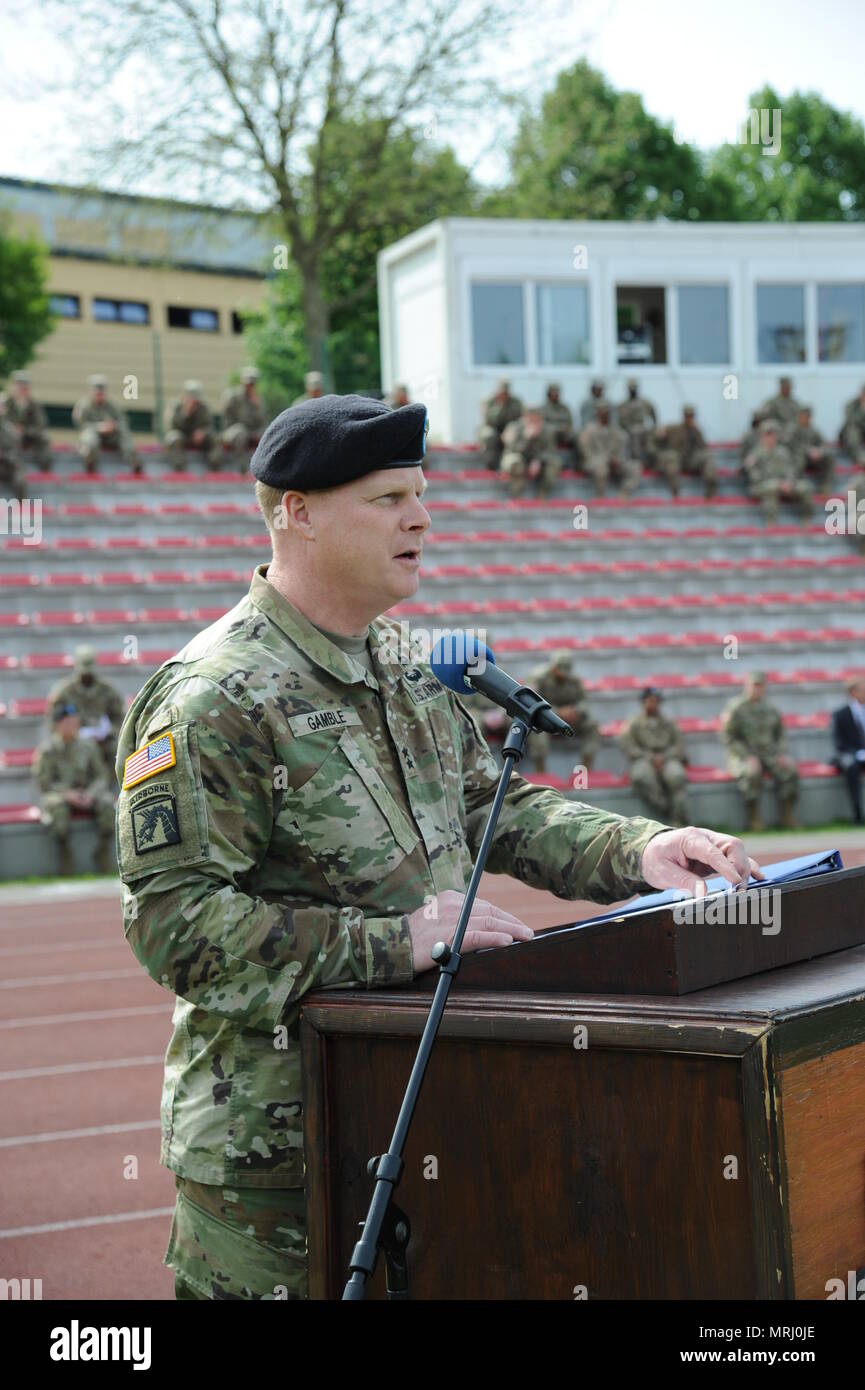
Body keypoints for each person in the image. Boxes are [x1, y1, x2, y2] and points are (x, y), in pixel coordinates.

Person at [114, 391, 760, 1301]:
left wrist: (641, 849)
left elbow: (496, 808)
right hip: (278, 1151)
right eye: (386, 499)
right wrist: (394, 941)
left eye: (419, 493)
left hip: (425, 1112)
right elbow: (174, 926)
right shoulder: (214, 697)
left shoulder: (402, 666)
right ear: (294, 513)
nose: (420, 516)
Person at [35, 703, 115, 876]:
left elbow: (101, 775)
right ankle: (65, 856)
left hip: (87, 793)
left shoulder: (88, 746)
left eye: (74, 722)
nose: (72, 725)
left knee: (108, 803)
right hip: (61, 795)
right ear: (57, 725)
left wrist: (90, 794)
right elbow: (44, 782)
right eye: (67, 722)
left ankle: (102, 852)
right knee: (56, 808)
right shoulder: (47, 751)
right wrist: (67, 794)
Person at [722, 671, 799, 832]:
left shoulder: (771, 708)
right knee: (751, 774)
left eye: (760, 685)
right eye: (754, 685)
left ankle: (787, 815)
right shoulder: (736, 707)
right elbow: (729, 737)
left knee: (789, 770)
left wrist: (781, 753)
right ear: (747, 686)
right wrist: (747, 756)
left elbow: (781, 734)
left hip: (769, 754)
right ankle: (754, 817)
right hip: (744, 754)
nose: (757, 689)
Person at [48, 645, 124, 775]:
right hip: (73, 743)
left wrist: (109, 731)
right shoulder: (64, 692)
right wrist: (71, 733)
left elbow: (120, 718)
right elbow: (53, 721)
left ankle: (109, 788)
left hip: (103, 743)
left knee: (118, 752)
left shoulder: (107, 690)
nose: (87, 676)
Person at [619, 687, 689, 826]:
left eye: (656, 701)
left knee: (677, 776)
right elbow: (627, 745)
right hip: (643, 758)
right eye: (650, 701)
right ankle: (666, 808)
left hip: (667, 758)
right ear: (643, 702)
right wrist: (649, 757)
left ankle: (679, 820)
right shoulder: (634, 723)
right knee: (641, 776)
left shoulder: (669, 723)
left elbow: (679, 744)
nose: (653, 704)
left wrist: (664, 757)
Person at [527, 651, 600, 775]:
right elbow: (531, 702)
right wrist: (557, 713)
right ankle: (541, 772)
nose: (563, 675)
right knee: (535, 731)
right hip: (546, 720)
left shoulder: (574, 680)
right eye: (560, 670)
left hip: (570, 719)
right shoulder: (538, 678)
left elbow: (584, 702)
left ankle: (585, 769)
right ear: (553, 667)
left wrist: (576, 711)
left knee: (592, 725)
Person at [743, 419, 813, 524]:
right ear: (762, 436)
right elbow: (755, 476)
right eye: (768, 434)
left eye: (773, 434)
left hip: (784, 485)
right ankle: (771, 520)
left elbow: (790, 470)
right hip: (762, 485)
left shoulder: (783, 452)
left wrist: (789, 482)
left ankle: (807, 519)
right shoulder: (755, 453)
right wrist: (778, 483)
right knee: (771, 487)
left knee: (806, 486)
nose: (771, 437)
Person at [72, 374, 142, 475]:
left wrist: (113, 426)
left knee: (125, 435)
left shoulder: (113, 405)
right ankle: (90, 461)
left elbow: (124, 422)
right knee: (89, 437)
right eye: (97, 392)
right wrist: (98, 427)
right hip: (94, 437)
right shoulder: (83, 406)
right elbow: (80, 425)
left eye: (102, 392)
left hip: (112, 437)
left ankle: (134, 460)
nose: (100, 394)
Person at [654, 406, 718, 499]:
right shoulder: (674, 428)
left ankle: (710, 493)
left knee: (709, 457)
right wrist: (660, 433)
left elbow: (703, 447)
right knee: (671, 457)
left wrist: (694, 431)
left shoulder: (696, 430)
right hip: (677, 459)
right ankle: (675, 492)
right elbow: (659, 436)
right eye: (688, 416)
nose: (689, 418)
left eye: (691, 416)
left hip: (691, 459)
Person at [499, 406, 561, 499]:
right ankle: (517, 496)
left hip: (538, 462)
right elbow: (512, 449)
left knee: (555, 462)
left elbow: (550, 451)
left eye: (536, 419)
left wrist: (538, 460)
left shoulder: (547, 430)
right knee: (515, 462)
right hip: (520, 459)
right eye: (530, 418)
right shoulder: (514, 427)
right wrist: (526, 438)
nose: (533, 422)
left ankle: (542, 496)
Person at [579, 403, 638, 496]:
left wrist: (617, 459)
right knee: (601, 470)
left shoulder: (616, 430)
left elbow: (621, 447)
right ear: (598, 414)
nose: (605, 414)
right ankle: (600, 496)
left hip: (614, 461)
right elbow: (585, 451)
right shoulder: (589, 430)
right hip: (596, 461)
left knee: (635, 467)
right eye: (602, 412)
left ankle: (624, 493)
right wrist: (603, 459)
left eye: (607, 412)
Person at [0, 371, 52, 470]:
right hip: (8, 436)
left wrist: (25, 430)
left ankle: (45, 467)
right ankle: (12, 466)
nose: (21, 390)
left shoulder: (33, 404)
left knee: (44, 438)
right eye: (19, 386)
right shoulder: (4, 402)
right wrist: (11, 428)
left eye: (25, 388)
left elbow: (41, 424)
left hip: (28, 435)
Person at [831, 676, 865, 824]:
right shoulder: (841, 714)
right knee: (851, 765)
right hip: (850, 755)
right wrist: (858, 753)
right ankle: (857, 812)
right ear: (853, 693)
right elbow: (839, 744)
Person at [164, 382, 220, 470]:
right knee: (174, 438)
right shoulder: (175, 406)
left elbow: (209, 425)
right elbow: (172, 426)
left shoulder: (203, 407)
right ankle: (180, 468)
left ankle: (215, 467)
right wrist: (186, 413)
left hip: (198, 439)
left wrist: (203, 432)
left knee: (215, 438)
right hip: (182, 437)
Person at [221, 367, 267, 466]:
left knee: (267, 434)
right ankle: (240, 466)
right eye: (248, 383)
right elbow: (229, 418)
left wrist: (257, 407)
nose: (249, 386)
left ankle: (263, 465)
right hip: (232, 431)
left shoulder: (257, 399)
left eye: (252, 384)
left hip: (251, 431)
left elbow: (261, 421)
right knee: (241, 431)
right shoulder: (233, 396)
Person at [787, 405, 834, 492]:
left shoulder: (814, 430)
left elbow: (823, 444)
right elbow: (792, 445)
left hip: (812, 459)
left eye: (807, 417)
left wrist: (819, 452)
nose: (805, 419)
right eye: (803, 416)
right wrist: (808, 450)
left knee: (829, 457)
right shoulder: (793, 429)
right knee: (799, 456)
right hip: (797, 459)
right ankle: (797, 484)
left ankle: (825, 486)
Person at [478, 379, 523, 471]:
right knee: (489, 435)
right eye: (501, 392)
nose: (503, 395)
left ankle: (508, 465)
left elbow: (519, 419)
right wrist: (501, 406)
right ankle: (491, 465)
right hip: (492, 427)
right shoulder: (488, 401)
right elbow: (489, 419)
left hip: (509, 428)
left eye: (505, 392)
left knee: (512, 434)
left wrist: (509, 429)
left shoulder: (516, 402)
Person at [616, 379, 657, 466]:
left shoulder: (644, 402)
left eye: (634, 389)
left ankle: (649, 458)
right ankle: (634, 458)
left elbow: (653, 414)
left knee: (645, 437)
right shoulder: (623, 404)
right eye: (631, 389)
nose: (632, 391)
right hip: (627, 428)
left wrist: (654, 427)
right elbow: (619, 420)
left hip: (641, 426)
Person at [540, 383, 575, 454]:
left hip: (564, 433)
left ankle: (578, 460)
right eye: (554, 393)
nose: (556, 395)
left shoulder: (565, 408)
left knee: (576, 435)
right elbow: (543, 424)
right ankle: (552, 455)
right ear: (549, 394)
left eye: (557, 393)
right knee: (549, 432)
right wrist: (558, 428)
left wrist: (566, 428)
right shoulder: (543, 408)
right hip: (551, 432)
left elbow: (569, 422)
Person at [0, 415, 24, 503]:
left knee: (20, 478)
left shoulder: (8, 429)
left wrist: (4, 455)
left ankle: (21, 505)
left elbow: (15, 450)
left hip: (7, 465)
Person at [840, 385, 865, 465]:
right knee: (853, 430)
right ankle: (858, 457)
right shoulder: (851, 404)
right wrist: (862, 409)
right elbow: (851, 420)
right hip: (849, 432)